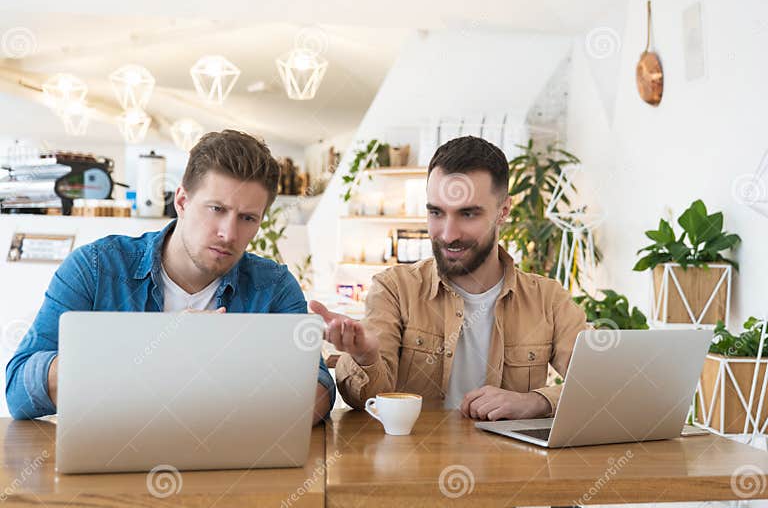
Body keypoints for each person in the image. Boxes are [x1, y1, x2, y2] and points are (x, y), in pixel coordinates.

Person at [6, 130, 335, 424]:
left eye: (248, 218)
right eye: (216, 209)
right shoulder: (94, 268)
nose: (228, 233)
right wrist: (158, 345)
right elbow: (19, 390)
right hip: (111, 473)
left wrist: (237, 364)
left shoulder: (274, 287)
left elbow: (319, 394)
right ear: (182, 200)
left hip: (229, 472)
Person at [312, 136, 587, 421]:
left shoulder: (549, 300)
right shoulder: (395, 289)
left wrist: (535, 402)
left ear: (503, 211)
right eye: (436, 213)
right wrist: (365, 358)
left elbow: (602, 389)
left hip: (512, 465)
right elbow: (367, 404)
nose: (448, 234)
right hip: (415, 462)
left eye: (468, 214)